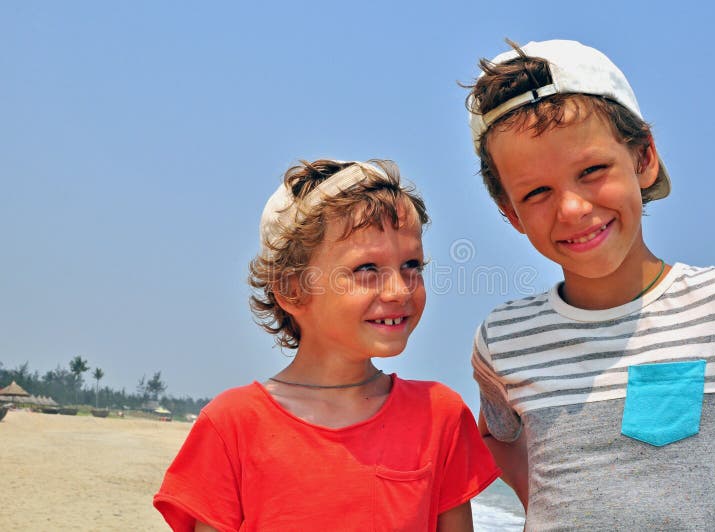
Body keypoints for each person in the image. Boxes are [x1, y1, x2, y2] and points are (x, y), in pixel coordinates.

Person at [465, 39, 715, 531]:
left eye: (592, 171)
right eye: (537, 192)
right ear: (510, 213)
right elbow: (495, 437)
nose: (573, 208)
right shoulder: (503, 338)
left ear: (644, 159)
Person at [153, 159, 500, 531]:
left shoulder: (439, 416)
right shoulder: (231, 428)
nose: (400, 290)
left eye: (411, 265)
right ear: (292, 290)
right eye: (367, 269)